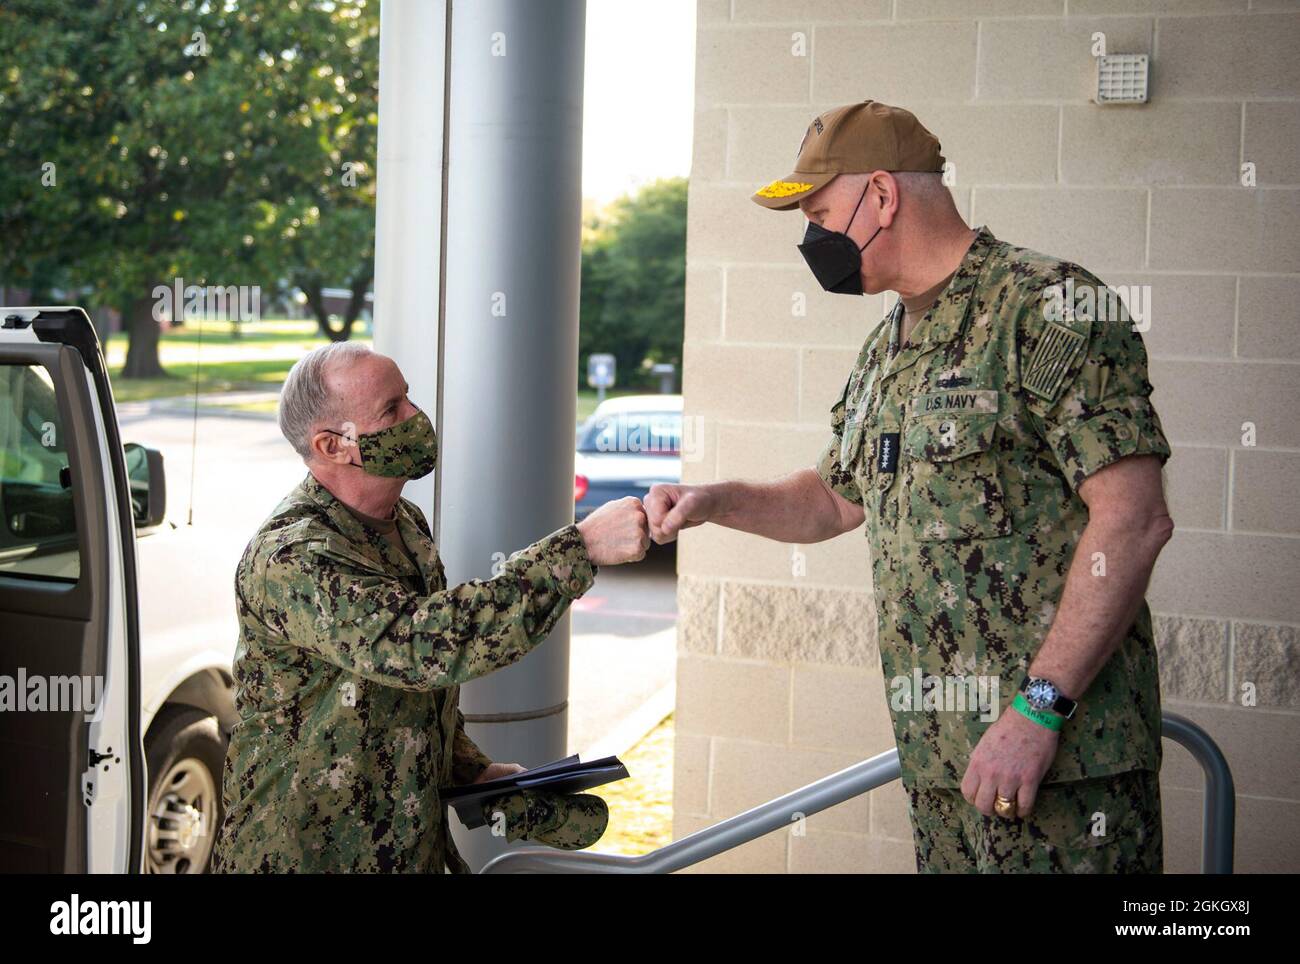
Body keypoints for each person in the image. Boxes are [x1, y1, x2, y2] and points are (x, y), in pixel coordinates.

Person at [645, 100, 1174, 873]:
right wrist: (713, 502)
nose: (813, 239)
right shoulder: (889, 343)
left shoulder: (1047, 307)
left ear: (884, 197)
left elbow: (1133, 520)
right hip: (944, 766)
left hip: (1062, 769)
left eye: (822, 213)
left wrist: (1038, 710)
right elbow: (833, 500)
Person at [211, 342, 649, 872]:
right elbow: (424, 647)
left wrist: (470, 771)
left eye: (409, 400)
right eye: (391, 410)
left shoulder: (405, 524)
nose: (417, 418)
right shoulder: (294, 557)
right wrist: (579, 549)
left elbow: (402, 694)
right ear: (332, 445)